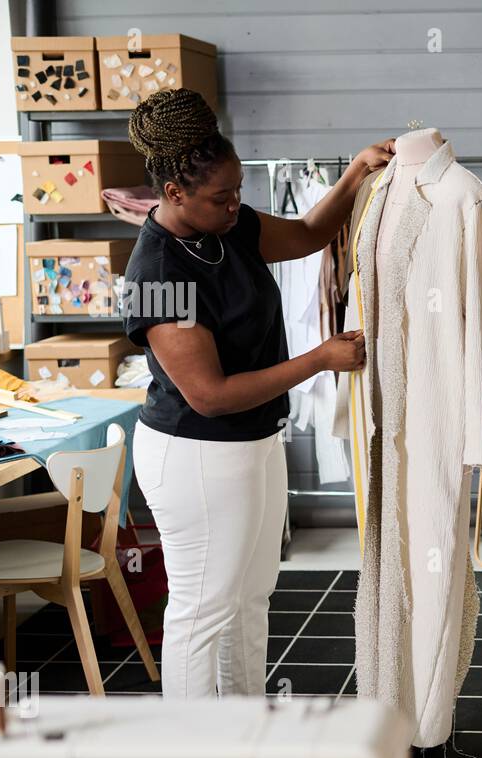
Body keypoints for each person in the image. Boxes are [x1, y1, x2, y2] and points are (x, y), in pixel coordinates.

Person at [122, 88, 393, 699]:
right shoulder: (158, 273)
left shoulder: (227, 226)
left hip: (252, 440)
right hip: (195, 453)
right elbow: (210, 395)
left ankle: (242, 727)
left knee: (250, 596)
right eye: (222, 197)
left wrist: (355, 170)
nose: (235, 204)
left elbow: (305, 234)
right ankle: (196, 754)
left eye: (238, 190)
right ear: (173, 194)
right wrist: (319, 359)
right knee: (202, 608)